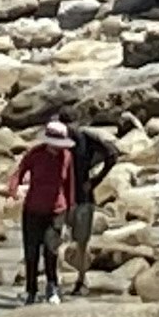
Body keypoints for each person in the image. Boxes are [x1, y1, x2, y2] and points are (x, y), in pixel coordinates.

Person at [10, 119, 79, 301]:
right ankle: (31, 291)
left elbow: (69, 184)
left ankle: (52, 287)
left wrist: (71, 209)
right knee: (31, 253)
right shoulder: (35, 154)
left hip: (56, 211)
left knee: (51, 251)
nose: (58, 148)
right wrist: (13, 189)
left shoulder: (67, 157)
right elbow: (19, 171)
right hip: (33, 209)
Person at [60, 117, 124, 289]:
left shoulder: (85, 139)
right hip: (68, 195)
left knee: (80, 241)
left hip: (80, 195)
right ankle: (63, 279)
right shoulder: (64, 140)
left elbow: (112, 155)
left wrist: (96, 180)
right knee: (63, 238)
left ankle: (80, 280)